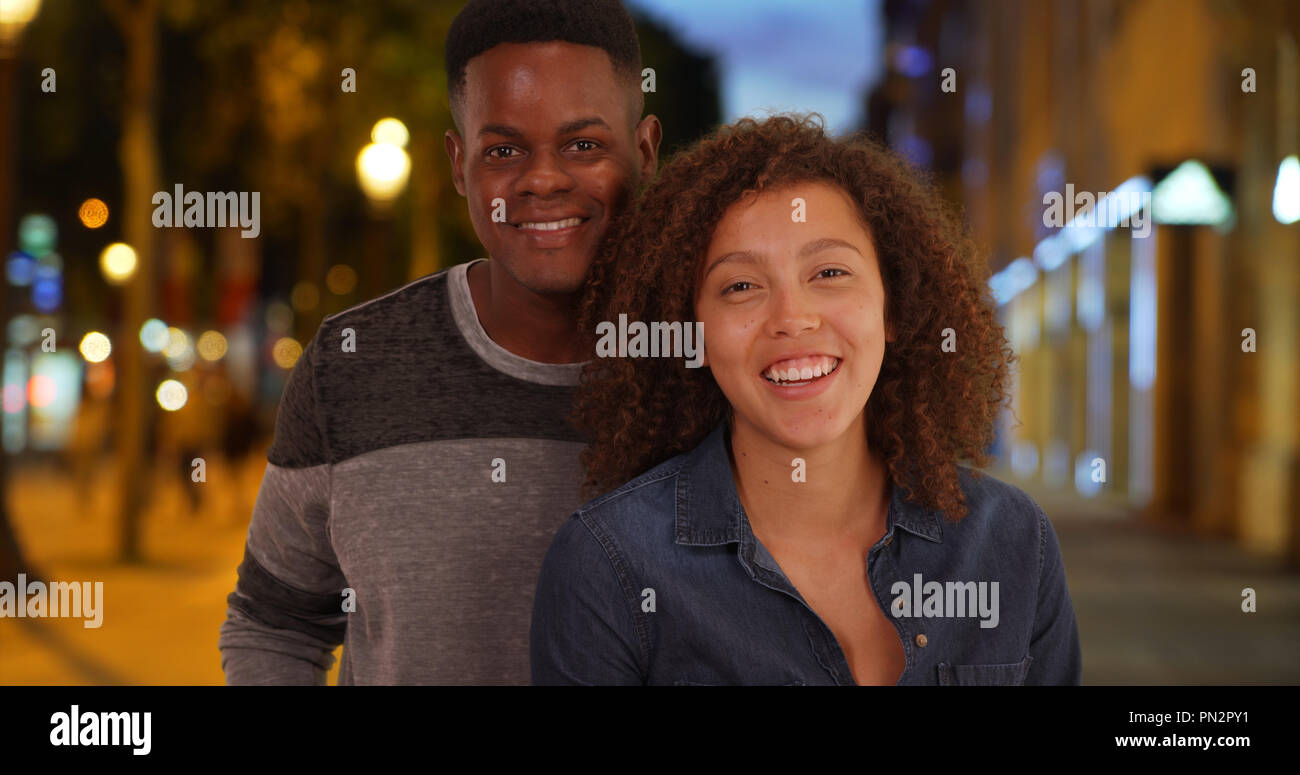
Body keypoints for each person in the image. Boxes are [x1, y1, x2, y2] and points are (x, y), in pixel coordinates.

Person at [530, 114, 1082, 685]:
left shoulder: (1012, 542)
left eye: (829, 271)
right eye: (740, 286)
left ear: (893, 307)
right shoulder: (608, 565)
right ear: (692, 333)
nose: (792, 318)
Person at [218, 0, 661, 684]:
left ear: (645, 151)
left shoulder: (707, 367)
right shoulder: (353, 365)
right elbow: (274, 622)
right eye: (504, 149)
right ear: (460, 165)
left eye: (583, 145)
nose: (542, 178)